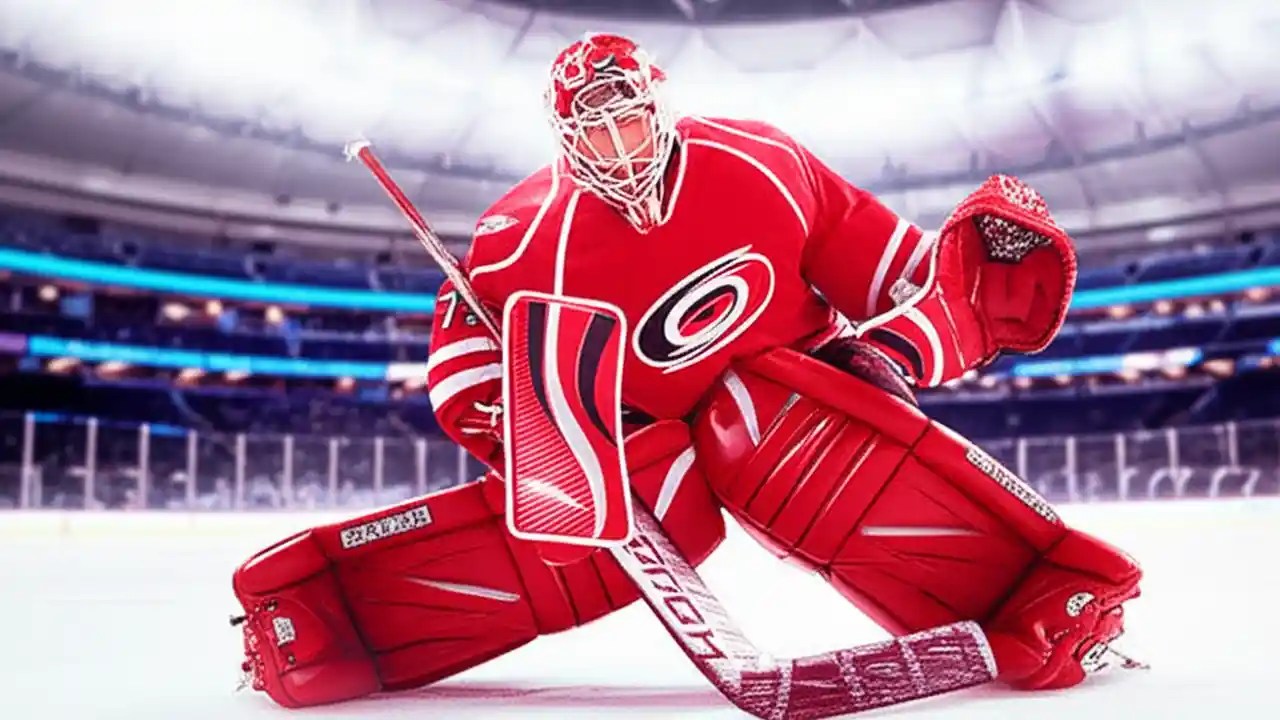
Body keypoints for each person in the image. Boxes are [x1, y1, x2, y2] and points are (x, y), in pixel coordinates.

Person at [230, 33, 1141, 708]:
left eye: (630, 118)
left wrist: (892, 351)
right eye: (597, 131)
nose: (620, 147)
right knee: (628, 505)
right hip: (636, 437)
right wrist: (535, 435)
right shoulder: (517, 237)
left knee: (767, 420)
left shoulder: (763, 164)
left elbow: (903, 275)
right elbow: (463, 370)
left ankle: (1035, 600)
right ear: (563, 138)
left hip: (793, 390)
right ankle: (318, 620)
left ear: (656, 104)